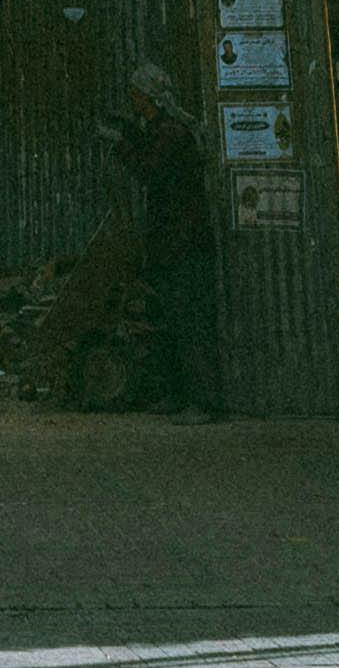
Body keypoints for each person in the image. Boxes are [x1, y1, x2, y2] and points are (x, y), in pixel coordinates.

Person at [106, 64, 226, 419]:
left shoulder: (172, 133)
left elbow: (151, 171)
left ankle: (202, 401)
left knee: (190, 323)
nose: (133, 100)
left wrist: (125, 147)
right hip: (171, 243)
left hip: (182, 244)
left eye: (136, 95)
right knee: (172, 321)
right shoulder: (163, 130)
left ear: (148, 97)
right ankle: (179, 394)